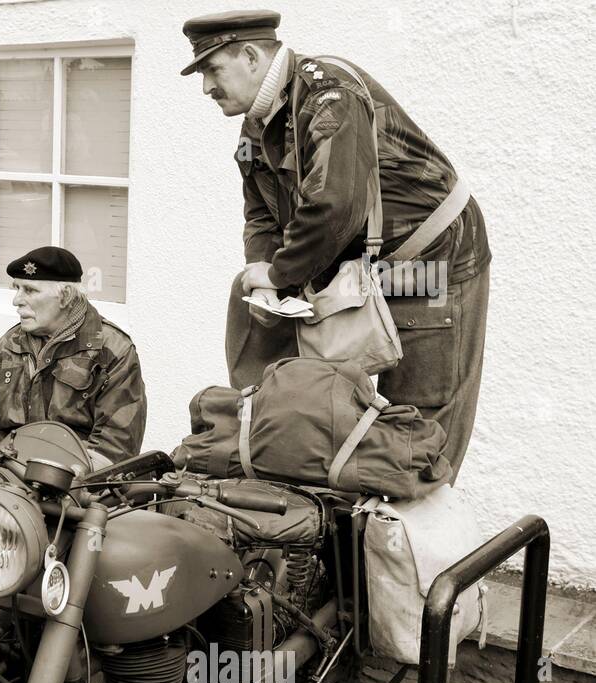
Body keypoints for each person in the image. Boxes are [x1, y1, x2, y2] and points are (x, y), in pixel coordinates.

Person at [182, 9, 490, 476]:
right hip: (355, 267)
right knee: (294, 393)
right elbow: (261, 215)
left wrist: (282, 273)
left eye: (211, 69)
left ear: (249, 56)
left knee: (423, 426)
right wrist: (265, 277)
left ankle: (414, 536)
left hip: (428, 263)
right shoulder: (255, 126)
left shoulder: (330, 93)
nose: (205, 87)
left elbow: (335, 206)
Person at [0, 246, 145, 468]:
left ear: (64, 296)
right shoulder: (10, 344)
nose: (16, 300)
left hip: (77, 485)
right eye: (17, 288)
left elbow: (115, 449)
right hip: (6, 475)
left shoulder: (111, 350)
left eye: (30, 290)